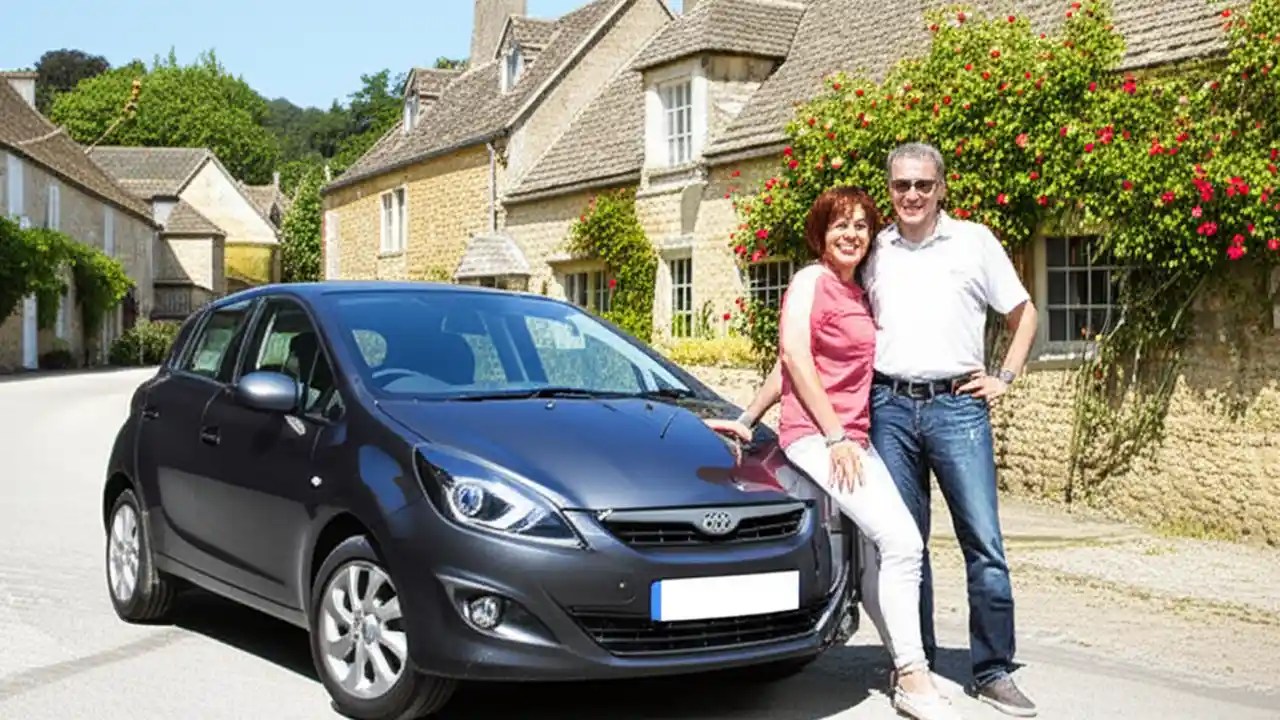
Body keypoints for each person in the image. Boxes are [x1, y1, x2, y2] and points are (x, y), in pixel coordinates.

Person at [710, 143, 1039, 717]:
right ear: (891, 189)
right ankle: (918, 665)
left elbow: (1024, 312)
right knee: (903, 541)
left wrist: (1005, 375)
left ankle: (991, 670)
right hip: (881, 411)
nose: (911, 195)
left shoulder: (969, 243)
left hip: (953, 407)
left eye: (923, 185)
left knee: (979, 541)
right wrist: (753, 418)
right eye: (901, 185)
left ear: (942, 188)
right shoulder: (853, 262)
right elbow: (797, 352)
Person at [723, 185, 961, 720]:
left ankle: (907, 667)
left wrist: (746, 418)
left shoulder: (859, 293)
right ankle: (914, 679)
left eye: (860, 225)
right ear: (821, 235)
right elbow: (793, 355)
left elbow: (783, 371)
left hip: (851, 437)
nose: (851, 234)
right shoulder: (811, 280)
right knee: (902, 542)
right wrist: (830, 435)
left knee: (882, 553)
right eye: (840, 225)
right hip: (820, 437)